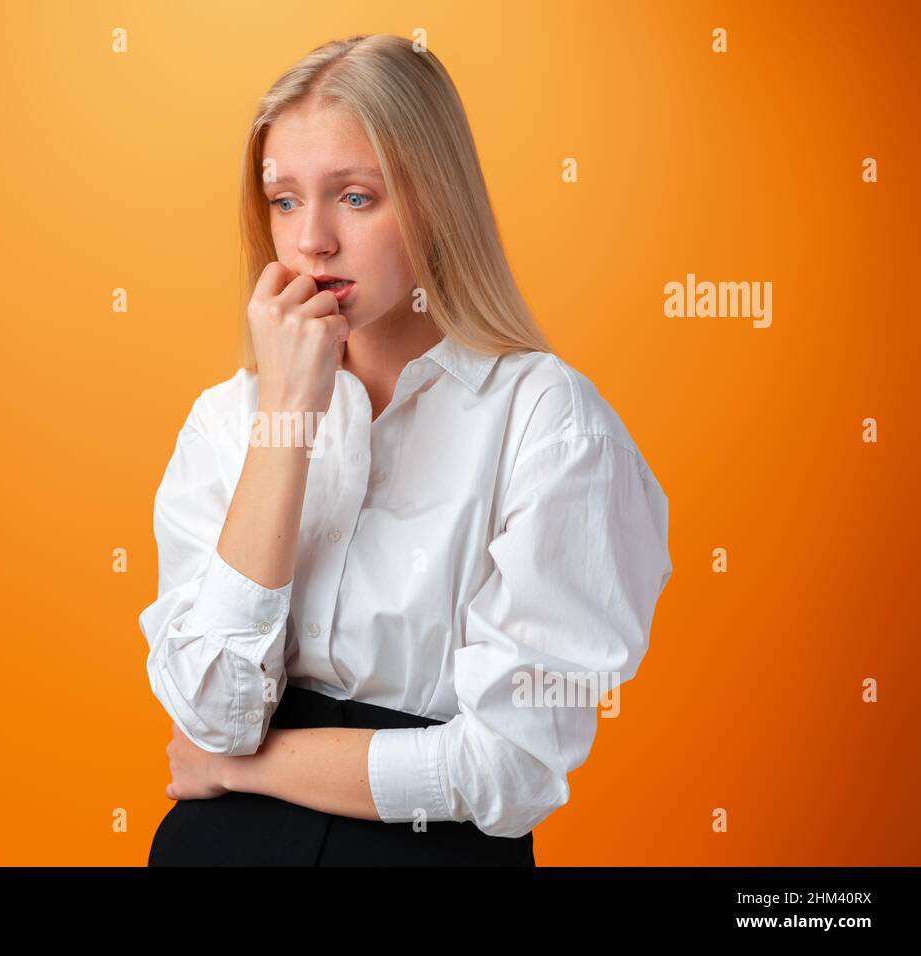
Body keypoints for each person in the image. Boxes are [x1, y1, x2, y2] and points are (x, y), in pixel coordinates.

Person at [137, 34, 673, 866]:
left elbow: (508, 769)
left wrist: (246, 770)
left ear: (437, 202)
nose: (311, 240)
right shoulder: (225, 418)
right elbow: (215, 712)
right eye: (283, 201)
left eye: (355, 197)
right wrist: (287, 417)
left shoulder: (549, 421)